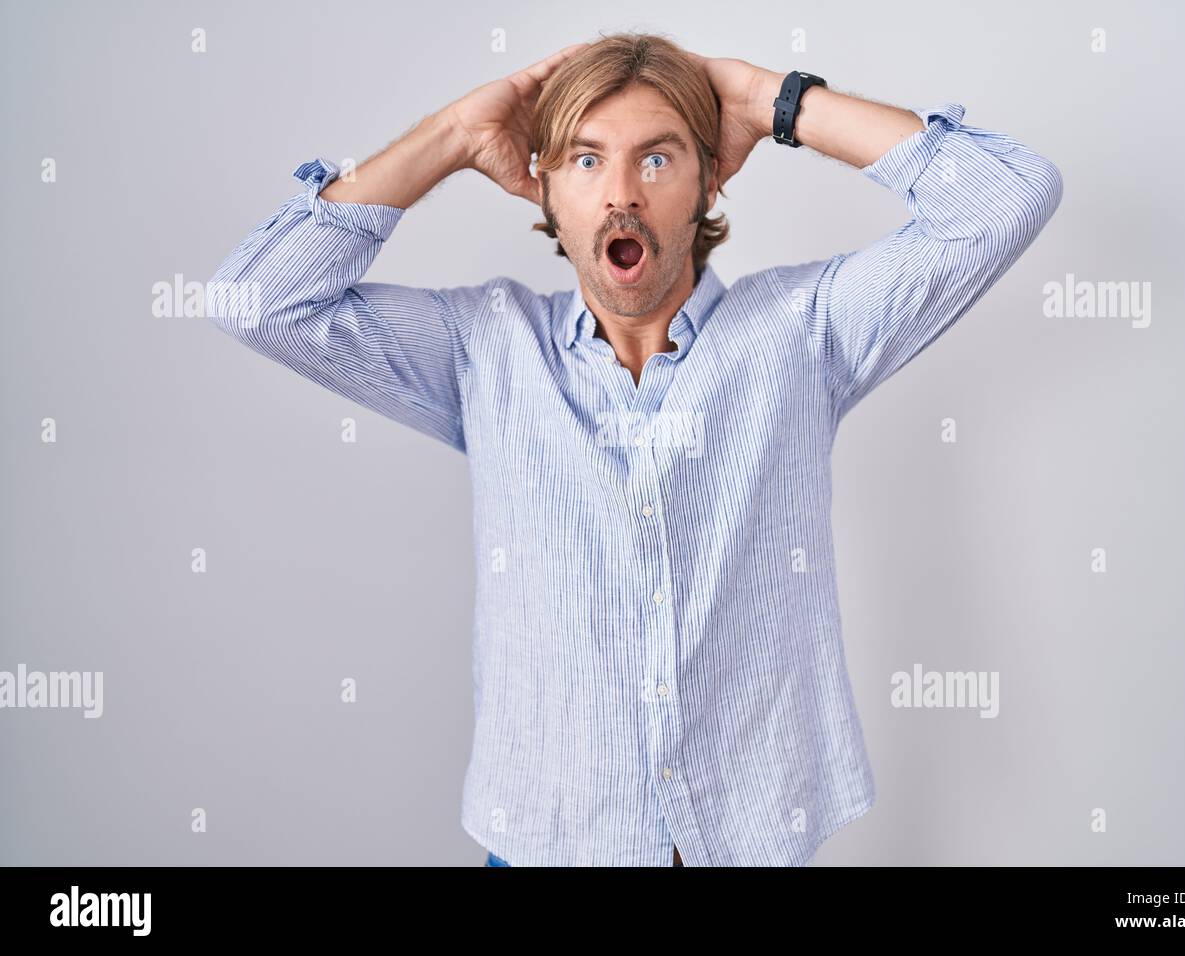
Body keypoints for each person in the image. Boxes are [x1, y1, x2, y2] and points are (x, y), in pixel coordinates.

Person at [205, 32, 1062, 867]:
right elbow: (258, 299)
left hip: (749, 837)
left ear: (709, 179)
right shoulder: (484, 349)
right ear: (543, 188)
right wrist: (455, 136)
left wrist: (774, 100)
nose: (621, 194)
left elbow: (1004, 197)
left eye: (658, 158)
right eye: (584, 160)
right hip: (550, 844)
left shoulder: (804, 333)